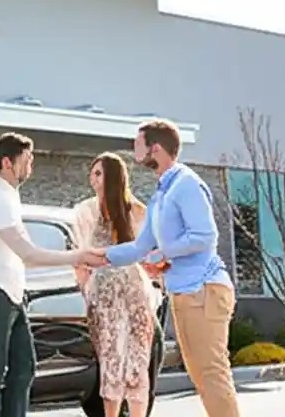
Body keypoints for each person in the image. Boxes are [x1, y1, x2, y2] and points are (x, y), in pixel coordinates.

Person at [95, 119, 242, 417]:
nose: (134, 149)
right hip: (185, 293)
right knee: (201, 375)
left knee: (211, 374)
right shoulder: (162, 192)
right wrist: (98, 256)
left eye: (138, 143)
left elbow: (205, 236)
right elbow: (139, 248)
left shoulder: (186, 183)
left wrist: (163, 253)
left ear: (156, 148)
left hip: (204, 290)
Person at [0, 132, 106, 417]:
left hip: (11, 295)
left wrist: (75, 259)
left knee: (23, 368)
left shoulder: (8, 196)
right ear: (8, 162)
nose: (31, 166)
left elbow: (25, 258)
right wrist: (76, 256)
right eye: (27, 160)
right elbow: (28, 253)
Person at [71, 152, 158, 417]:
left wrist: (157, 288)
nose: (93, 179)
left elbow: (150, 254)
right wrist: (85, 289)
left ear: (112, 177)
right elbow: (79, 256)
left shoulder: (138, 210)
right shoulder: (86, 211)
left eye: (98, 173)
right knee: (110, 360)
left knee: (138, 359)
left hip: (135, 291)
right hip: (104, 293)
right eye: (92, 173)